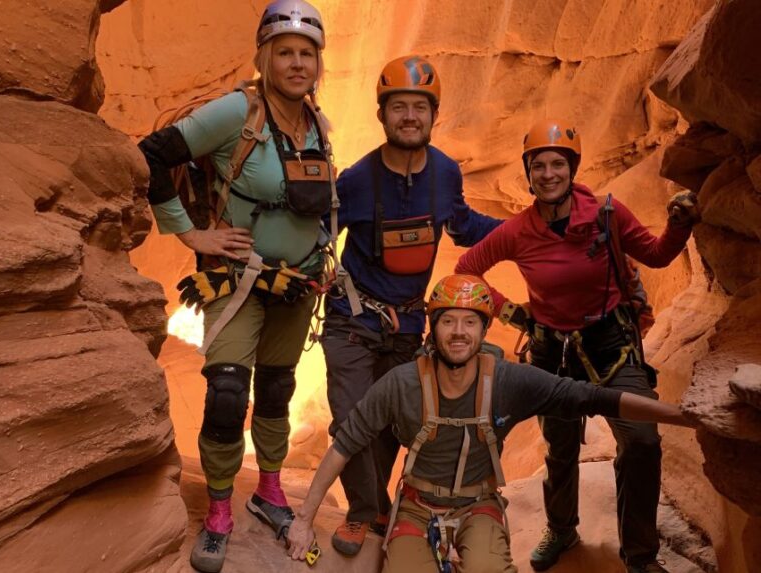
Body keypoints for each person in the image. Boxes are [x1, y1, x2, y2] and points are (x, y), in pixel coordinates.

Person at [285, 274, 693, 572]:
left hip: (478, 506)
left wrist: (682, 416)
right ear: (434, 327)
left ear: (484, 329)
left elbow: (592, 397)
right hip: (416, 508)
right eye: (448, 321)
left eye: (469, 322)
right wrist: (304, 521)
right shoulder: (403, 382)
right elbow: (345, 443)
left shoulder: (509, 381)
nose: (458, 332)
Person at [137, 2, 334, 571]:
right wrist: (191, 234)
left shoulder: (317, 123)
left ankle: (269, 489)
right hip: (237, 280)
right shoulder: (235, 112)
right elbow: (154, 156)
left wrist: (323, 257)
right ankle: (219, 509)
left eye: (307, 54)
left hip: (297, 283)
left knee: (276, 391)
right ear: (264, 57)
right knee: (227, 396)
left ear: (318, 64)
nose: (297, 64)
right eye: (285, 53)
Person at [454, 120, 700, 573]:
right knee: (560, 446)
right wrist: (511, 313)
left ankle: (640, 557)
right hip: (553, 354)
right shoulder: (518, 230)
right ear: (529, 175)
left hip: (611, 347)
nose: (548, 174)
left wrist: (679, 225)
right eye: (539, 166)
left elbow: (657, 255)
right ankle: (562, 528)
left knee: (642, 442)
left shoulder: (606, 213)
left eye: (557, 164)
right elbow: (466, 268)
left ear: (572, 169)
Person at [322, 55, 503, 556]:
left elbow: (463, 226)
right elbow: (319, 234)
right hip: (352, 321)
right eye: (398, 106)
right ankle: (365, 513)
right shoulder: (358, 179)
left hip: (406, 326)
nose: (409, 116)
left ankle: (381, 506)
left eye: (419, 108)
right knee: (352, 414)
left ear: (433, 115)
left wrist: (522, 230)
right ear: (381, 115)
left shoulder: (445, 172)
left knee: (397, 422)